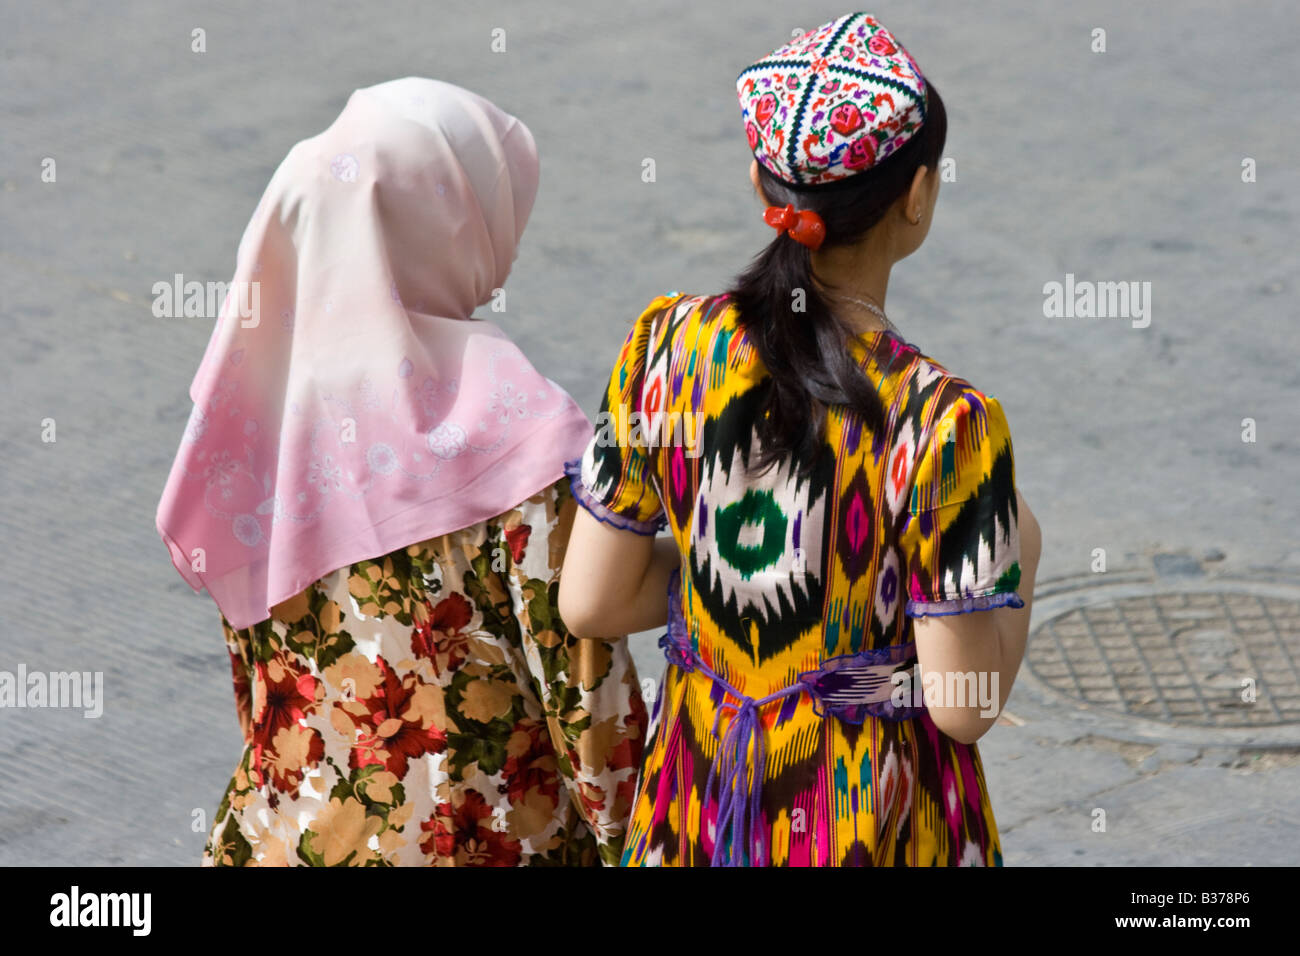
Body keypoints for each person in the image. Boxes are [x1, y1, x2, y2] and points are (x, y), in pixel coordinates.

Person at [558, 12, 1043, 866]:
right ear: (918, 195)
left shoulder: (662, 346)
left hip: (696, 804)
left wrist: (731, 584)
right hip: (870, 822)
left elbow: (592, 602)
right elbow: (963, 704)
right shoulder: (942, 427)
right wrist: (1022, 553)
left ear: (760, 184)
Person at [156, 77, 647, 866]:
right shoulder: (514, 427)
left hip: (277, 838)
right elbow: (587, 695)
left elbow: (259, 697)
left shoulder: (256, 419)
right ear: (446, 223)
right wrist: (641, 846)